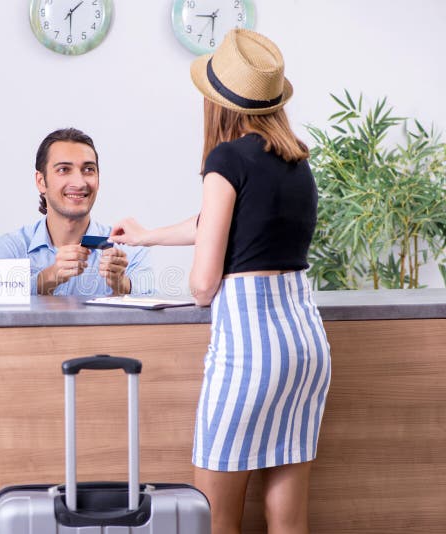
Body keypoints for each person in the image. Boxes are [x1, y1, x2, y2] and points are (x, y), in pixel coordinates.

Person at [109, 30, 331, 534]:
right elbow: (221, 221)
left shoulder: (225, 160)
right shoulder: (296, 161)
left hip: (250, 351)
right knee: (288, 519)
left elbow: (204, 285)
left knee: (209, 516)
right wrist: (146, 237)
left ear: (217, 103)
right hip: (304, 345)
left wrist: (194, 280)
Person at [0, 127, 153, 296]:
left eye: (88, 169)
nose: (79, 182)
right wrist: (46, 278)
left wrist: (122, 285)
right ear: (41, 181)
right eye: (63, 169)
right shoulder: (8, 250)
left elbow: (156, 308)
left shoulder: (131, 252)